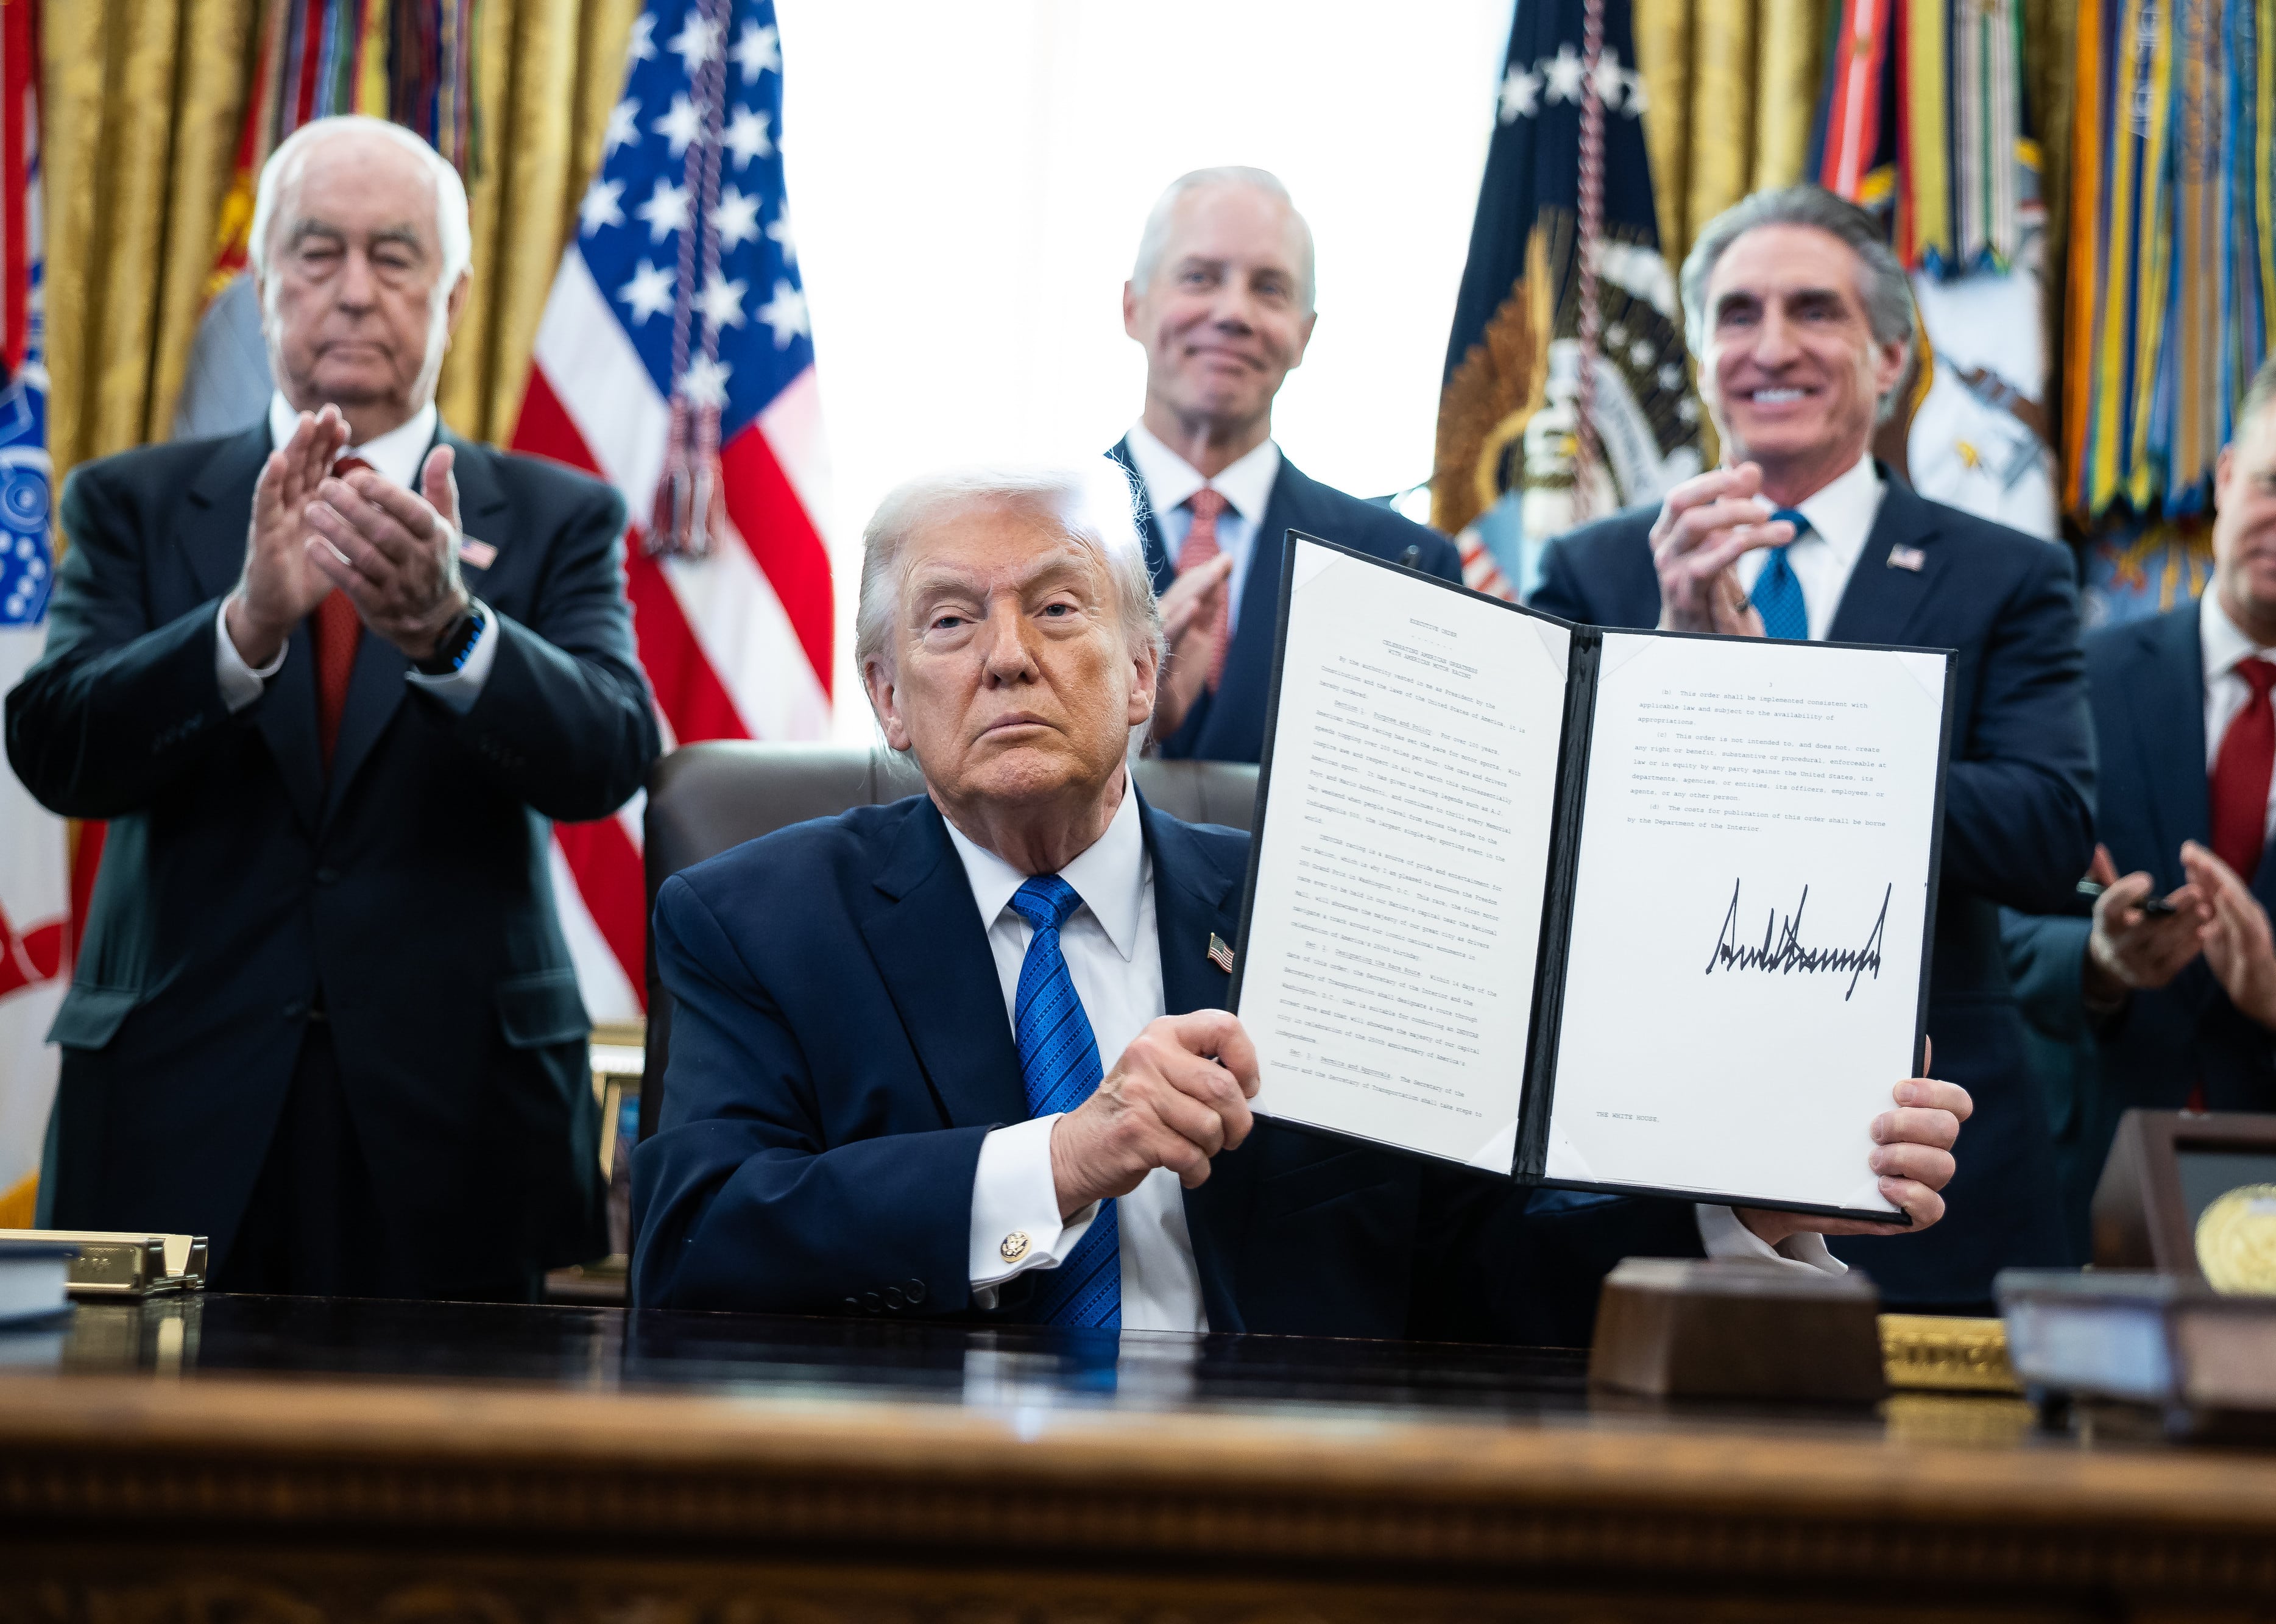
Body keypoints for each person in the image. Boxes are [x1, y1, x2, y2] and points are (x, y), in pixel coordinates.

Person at [628, 460, 1971, 1342]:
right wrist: (1060, 1159)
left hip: (1288, 1515)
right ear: (883, 700)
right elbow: (695, 1241)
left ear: (1145, 674)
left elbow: (1477, 1267)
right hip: (922, 1520)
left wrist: (1756, 1206)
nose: (1009, 660)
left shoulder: (1332, 906)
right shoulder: (751, 917)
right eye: (947, 624)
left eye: (1057, 608)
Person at [5, 117, 657, 1300]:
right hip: (170, 1116)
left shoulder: (562, 513)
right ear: (261, 285)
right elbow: (58, 747)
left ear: (452, 298)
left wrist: (452, 634)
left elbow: (610, 755)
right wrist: (242, 625)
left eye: (395, 255)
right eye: (316, 252)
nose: (354, 291)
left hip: (464, 1129)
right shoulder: (131, 504)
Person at [1527, 185, 2094, 1312]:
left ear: (1891, 356)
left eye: (1813, 311)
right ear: (1699, 352)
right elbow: (1538, 840)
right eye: (1736, 315)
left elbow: (2046, 830)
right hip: (1645, 1146)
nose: (1770, 346)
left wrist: (1776, 721)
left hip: (1924, 1149)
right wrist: (1680, 679)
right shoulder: (1595, 573)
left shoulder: (2007, 575)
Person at [2026, 344, 2276, 1224]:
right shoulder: (2069, 685)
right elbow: (1978, 934)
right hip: (2069, 1194)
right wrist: (2096, 963)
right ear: (2224, 474)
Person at [1111, 168, 1464, 763]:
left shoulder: (1404, 566)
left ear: (1304, 335)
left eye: (1269, 288)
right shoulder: (1031, 537)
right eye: (1199, 277)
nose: (1232, 313)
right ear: (1132, 307)